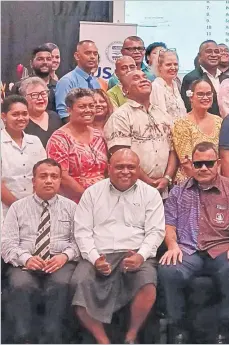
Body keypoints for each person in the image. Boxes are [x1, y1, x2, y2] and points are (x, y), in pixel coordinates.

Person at [158, 142, 229, 343]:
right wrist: (172, 246)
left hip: (221, 248)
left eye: (209, 163)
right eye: (198, 164)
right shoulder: (178, 192)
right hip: (187, 250)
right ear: (191, 165)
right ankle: (177, 328)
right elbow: (169, 224)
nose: (204, 168)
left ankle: (226, 329)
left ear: (218, 163)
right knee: (168, 269)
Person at [72, 149, 165, 344]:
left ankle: (130, 336)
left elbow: (156, 232)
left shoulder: (150, 195)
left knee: (147, 283)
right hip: (99, 253)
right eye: (119, 167)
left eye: (131, 167)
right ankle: (103, 340)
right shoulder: (92, 193)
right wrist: (95, 258)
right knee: (79, 283)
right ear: (108, 169)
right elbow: (82, 232)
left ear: (139, 169)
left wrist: (141, 256)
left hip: (136, 253)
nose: (125, 171)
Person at [1, 158, 79, 343]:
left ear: (60, 180)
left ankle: (53, 338)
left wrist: (64, 256)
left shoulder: (72, 208)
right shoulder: (17, 208)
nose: (49, 180)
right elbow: (6, 243)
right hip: (24, 264)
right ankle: (23, 337)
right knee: (21, 285)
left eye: (54, 176)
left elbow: (79, 242)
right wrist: (26, 258)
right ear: (33, 181)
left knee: (60, 285)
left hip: (60, 264)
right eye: (43, 176)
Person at [104, 70, 178, 199]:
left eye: (145, 77)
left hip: (163, 190)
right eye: (136, 78)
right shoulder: (120, 117)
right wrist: (148, 181)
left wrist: (166, 178)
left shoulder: (163, 114)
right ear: (125, 90)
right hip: (132, 190)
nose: (144, 79)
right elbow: (121, 157)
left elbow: (173, 150)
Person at [46, 88, 108, 203]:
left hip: (104, 198)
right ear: (69, 110)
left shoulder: (98, 135)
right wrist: (88, 197)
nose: (88, 110)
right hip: (74, 201)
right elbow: (62, 177)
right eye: (82, 107)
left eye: (91, 106)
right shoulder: (59, 139)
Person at [1, 95, 47, 218]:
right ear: (3, 116)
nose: (21, 118)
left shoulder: (35, 141)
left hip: (36, 208)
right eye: (15, 114)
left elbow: (43, 173)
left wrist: (34, 204)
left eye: (24, 114)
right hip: (5, 211)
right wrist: (19, 207)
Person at [172, 79, 223, 184]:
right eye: (200, 94)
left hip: (215, 180)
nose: (205, 97)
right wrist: (205, 184)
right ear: (191, 97)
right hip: (189, 182)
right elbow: (186, 162)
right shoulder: (182, 123)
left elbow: (221, 157)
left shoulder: (219, 121)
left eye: (209, 94)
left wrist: (216, 182)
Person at [55, 40, 100, 121]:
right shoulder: (67, 81)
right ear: (77, 56)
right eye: (88, 53)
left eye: (95, 54)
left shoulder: (95, 82)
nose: (92, 57)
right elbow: (64, 114)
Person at [181, 40, 228, 116]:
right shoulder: (191, 78)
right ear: (199, 56)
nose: (213, 55)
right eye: (209, 51)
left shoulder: (227, 78)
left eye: (216, 51)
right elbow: (189, 107)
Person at [10, 45, 57, 112]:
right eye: (40, 59)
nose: (45, 62)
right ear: (31, 63)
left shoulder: (58, 86)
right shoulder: (19, 86)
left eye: (48, 59)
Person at [20, 77, 63, 147]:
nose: (40, 98)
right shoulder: (22, 122)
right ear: (24, 98)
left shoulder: (55, 116)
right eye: (34, 95)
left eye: (43, 93)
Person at [151, 49, 187, 123]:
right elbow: (160, 118)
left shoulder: (175, 84)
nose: (173, 68)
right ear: (159, 67)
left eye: (175, 64)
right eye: (168, 64)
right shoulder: (156, 86)